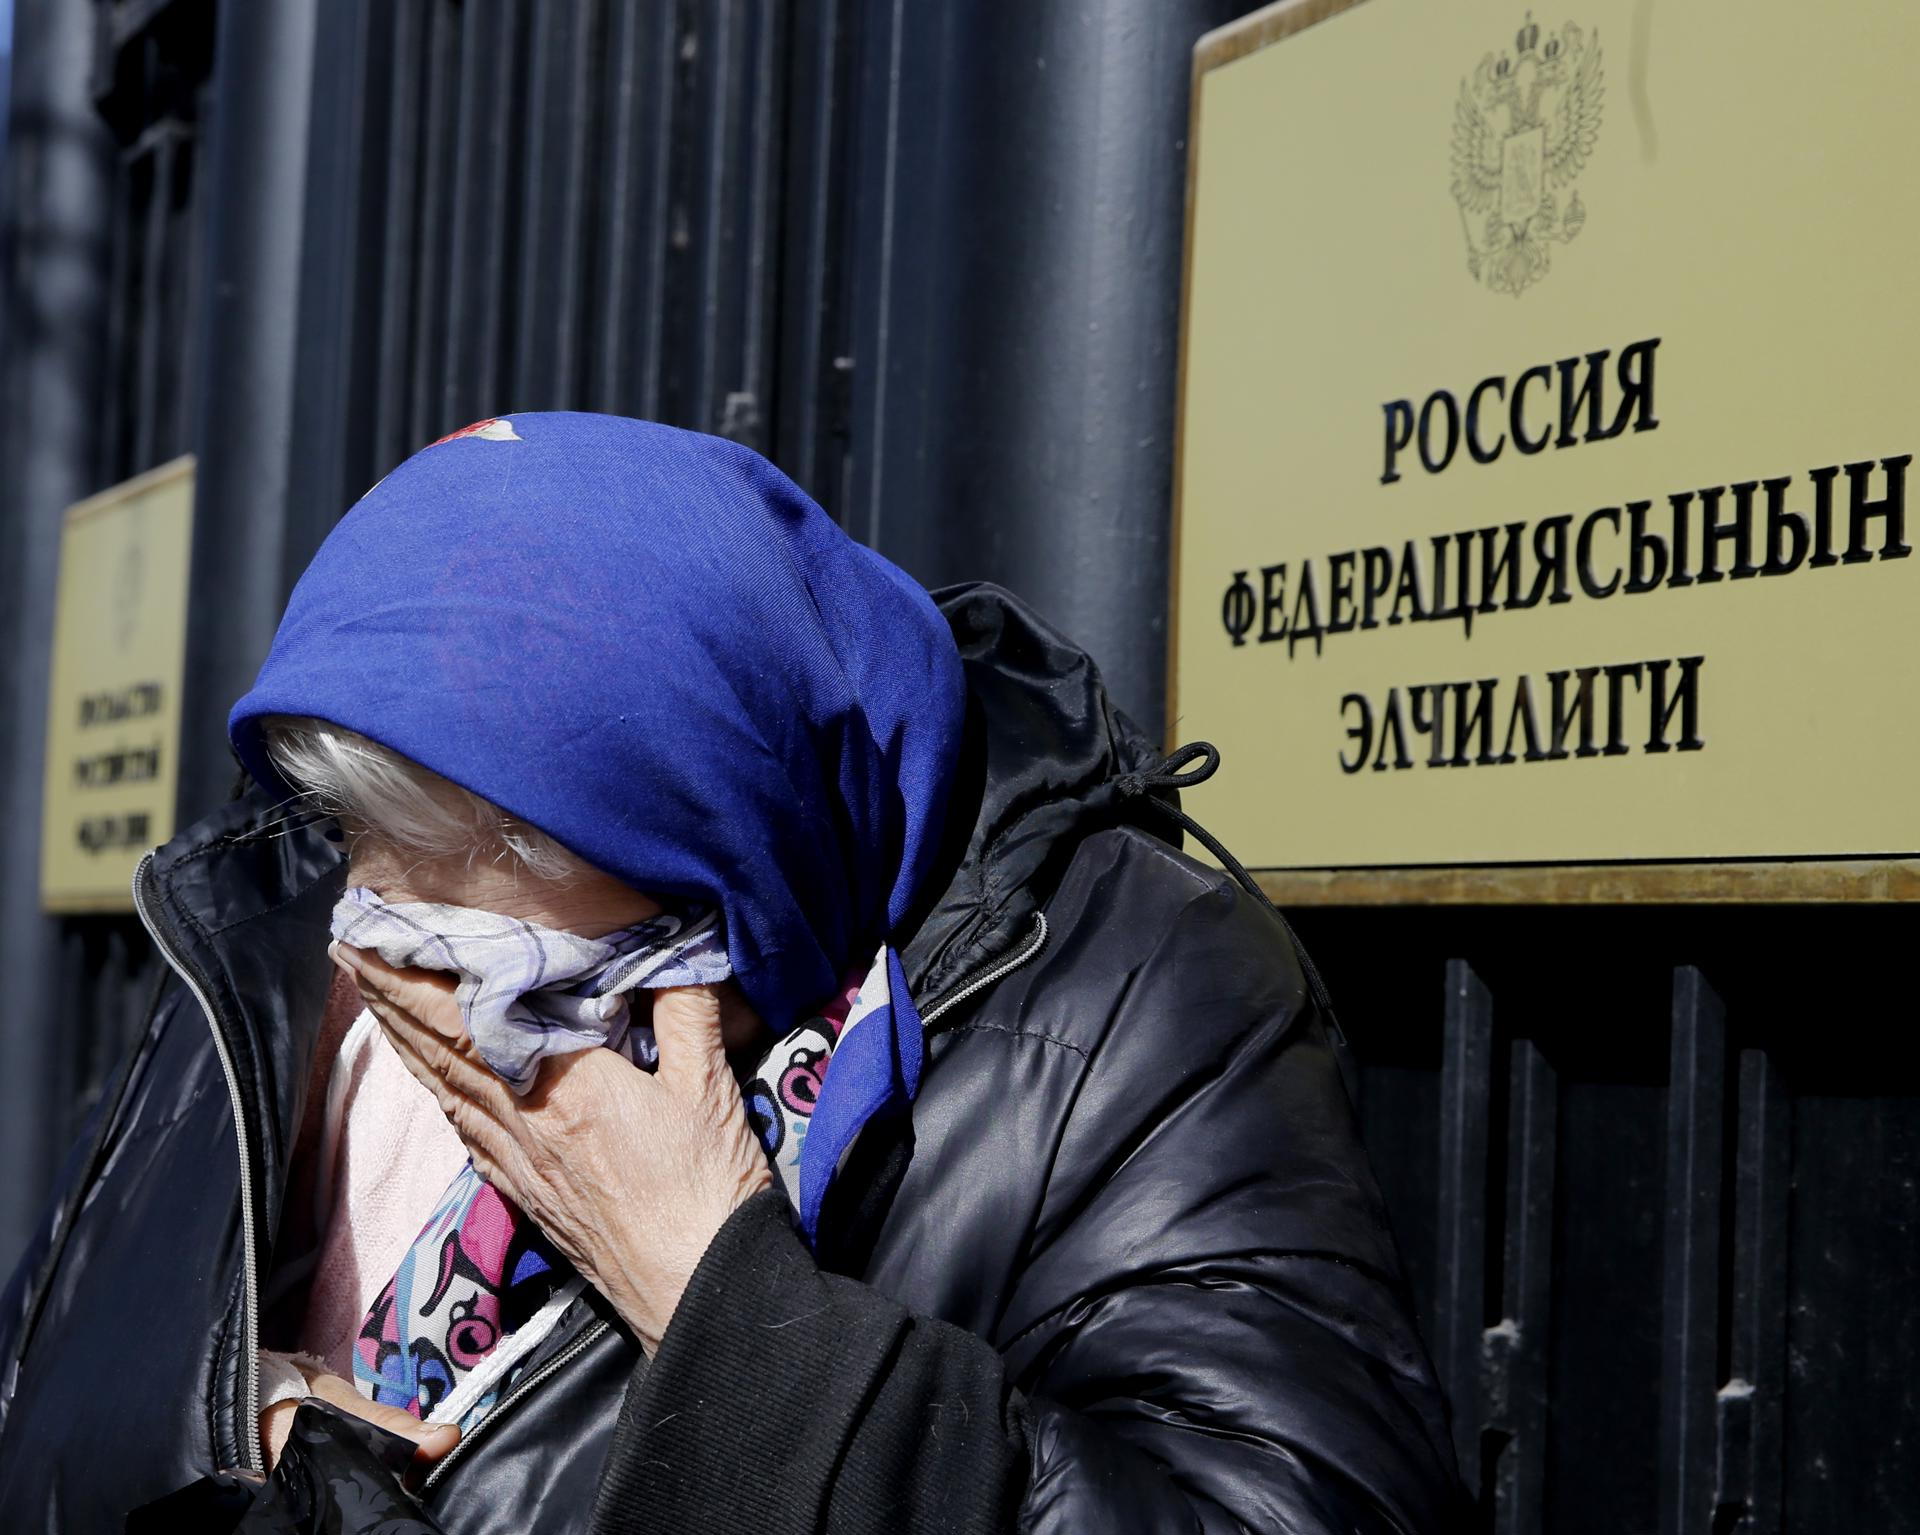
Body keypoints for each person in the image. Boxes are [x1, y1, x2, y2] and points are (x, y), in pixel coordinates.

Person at [0, 414, 1461, 1532]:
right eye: (352, 835)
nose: (381, 923)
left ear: (700, 824)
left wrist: (724, 1306)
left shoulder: (1128, 1008)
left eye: (461, 859)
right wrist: (244, 1437)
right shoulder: (272, 959)